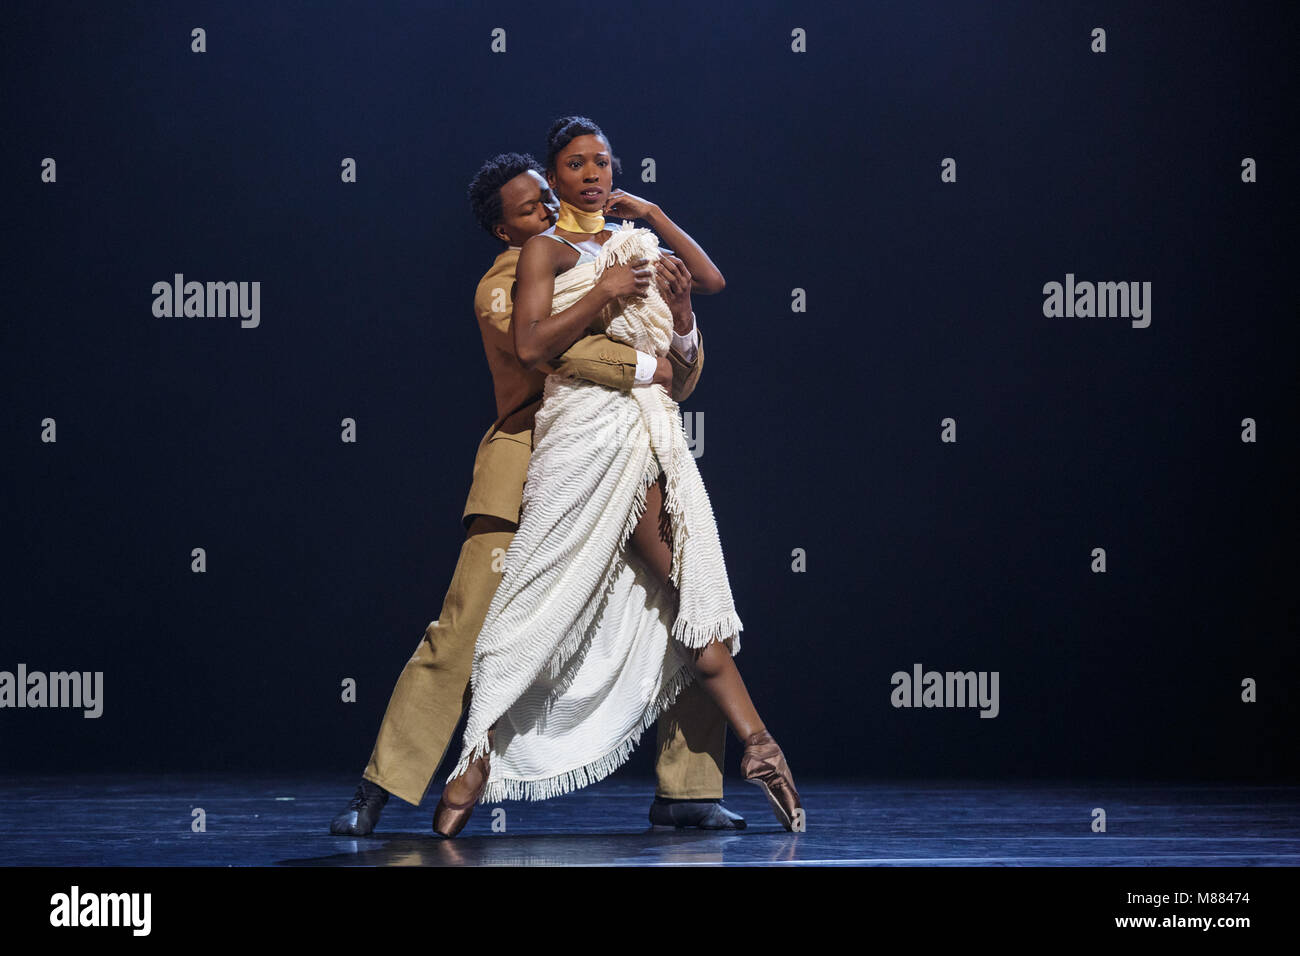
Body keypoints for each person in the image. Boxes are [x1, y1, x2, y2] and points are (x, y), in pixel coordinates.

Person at [328, 151, 746, 837]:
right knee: (462, 635)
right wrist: (639, 348)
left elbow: (677, 360)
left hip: (616, 460)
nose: (550, 213)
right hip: (526, 471)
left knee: (688, 606)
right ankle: (382, 787)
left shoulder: (608, 259)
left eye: (547, 202)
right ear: (504, 232)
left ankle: (690, 788)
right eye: (530, 211)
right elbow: (547, 353)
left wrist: (670, 330)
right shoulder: (506, 281)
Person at [437, 116, 800, 836]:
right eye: (575, 165)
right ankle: (468, 779)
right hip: (580, 439)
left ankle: (759, 749)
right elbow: (535, 343)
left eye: (602, 162)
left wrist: (665, 246)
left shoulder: (633, 243)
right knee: (536, 612)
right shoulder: (545, 250)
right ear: (555, 177)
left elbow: (708, 291)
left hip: (647, 435)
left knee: (687, 590)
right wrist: (602, 293)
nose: (592, 174)